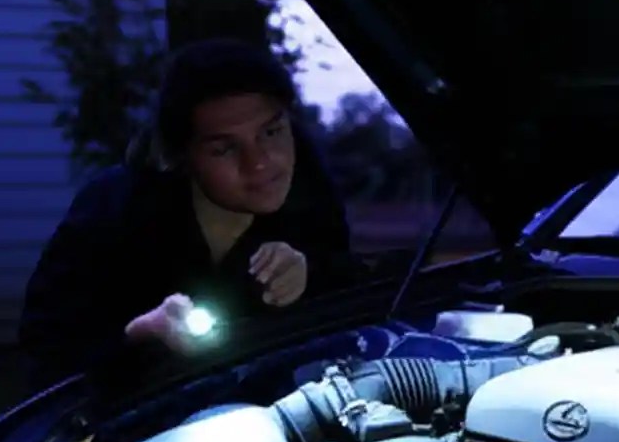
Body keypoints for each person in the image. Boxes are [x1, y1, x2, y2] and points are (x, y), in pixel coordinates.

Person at [19, 38, 362, 389]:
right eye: (224, 148)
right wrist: (138, 336)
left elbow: (351, 301)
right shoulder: (111, 211)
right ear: (179, 155)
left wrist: (310, 273)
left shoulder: (310, 190)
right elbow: (46, 350)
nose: (259, 163)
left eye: (271, 132)